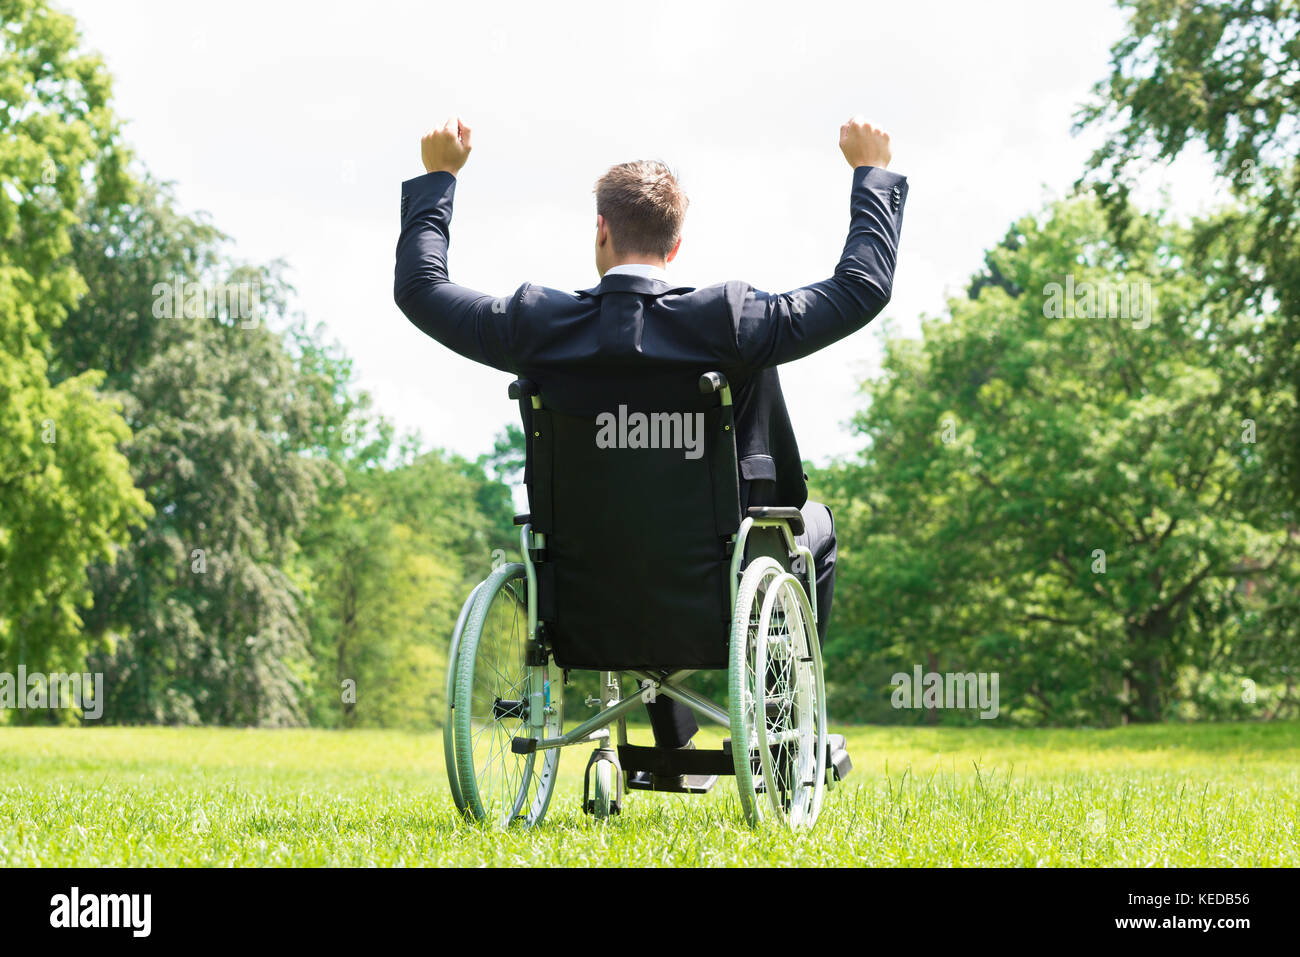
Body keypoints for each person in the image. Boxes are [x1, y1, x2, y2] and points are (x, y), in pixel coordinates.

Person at [395, 115, 907, 753]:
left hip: (583, 595)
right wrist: (871, 175)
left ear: (601, 230)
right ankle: (781, 721)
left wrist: (438, 178)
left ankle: (668, 722)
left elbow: (421, 290)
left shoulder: (536, 324)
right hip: (715, 585)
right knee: (814, 527)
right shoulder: (733, 322)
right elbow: (861, 288)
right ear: (677, 243)